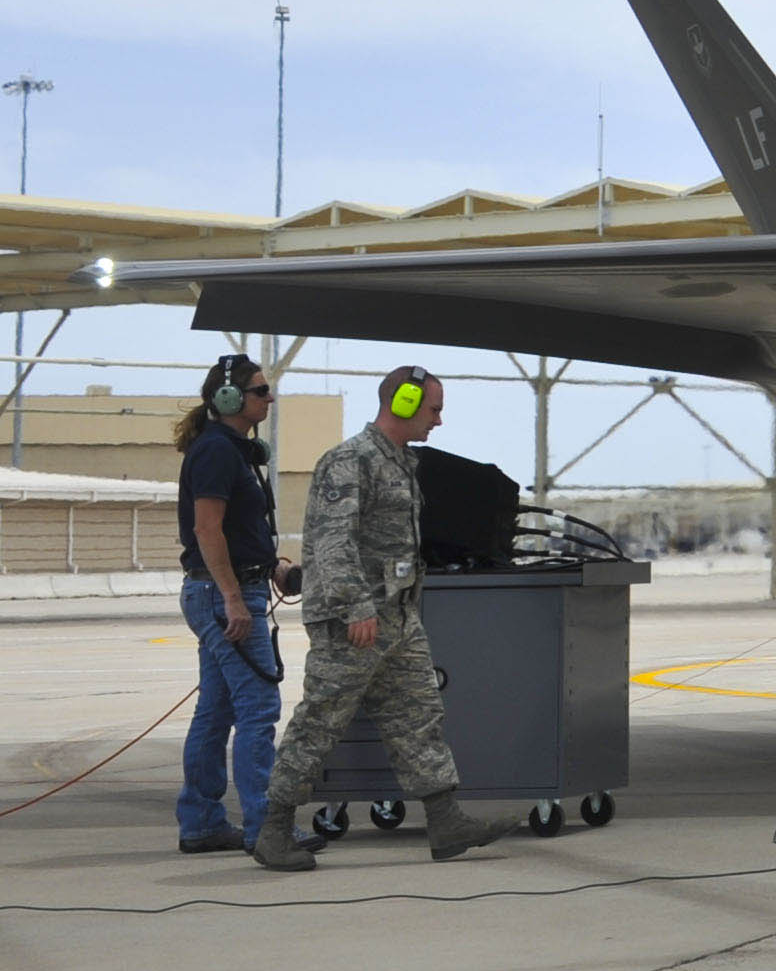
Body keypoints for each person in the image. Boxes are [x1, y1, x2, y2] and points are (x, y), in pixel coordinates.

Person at [254, 367, 520, 870]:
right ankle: (272, 829)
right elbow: (334, 543)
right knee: (320, 723)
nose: (438, 421)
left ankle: (446, 821)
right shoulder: (349, 460)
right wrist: (357, 606)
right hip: (355, 623)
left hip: (398, 618)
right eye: (432, 409)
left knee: (419, 717)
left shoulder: (402, 463)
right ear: (402, 403)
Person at [170, 353, 285, 855]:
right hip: (224, 594)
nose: (269, 398)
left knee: (216, 712)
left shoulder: (232, 451)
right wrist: (235, 600)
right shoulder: (218, 451)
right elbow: (206, 530)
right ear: (229, 399)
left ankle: (202, 823)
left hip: (225, 587)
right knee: (258, 708)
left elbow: (234, 532)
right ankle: (266, 828)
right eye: (260, 391)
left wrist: (276, 567)